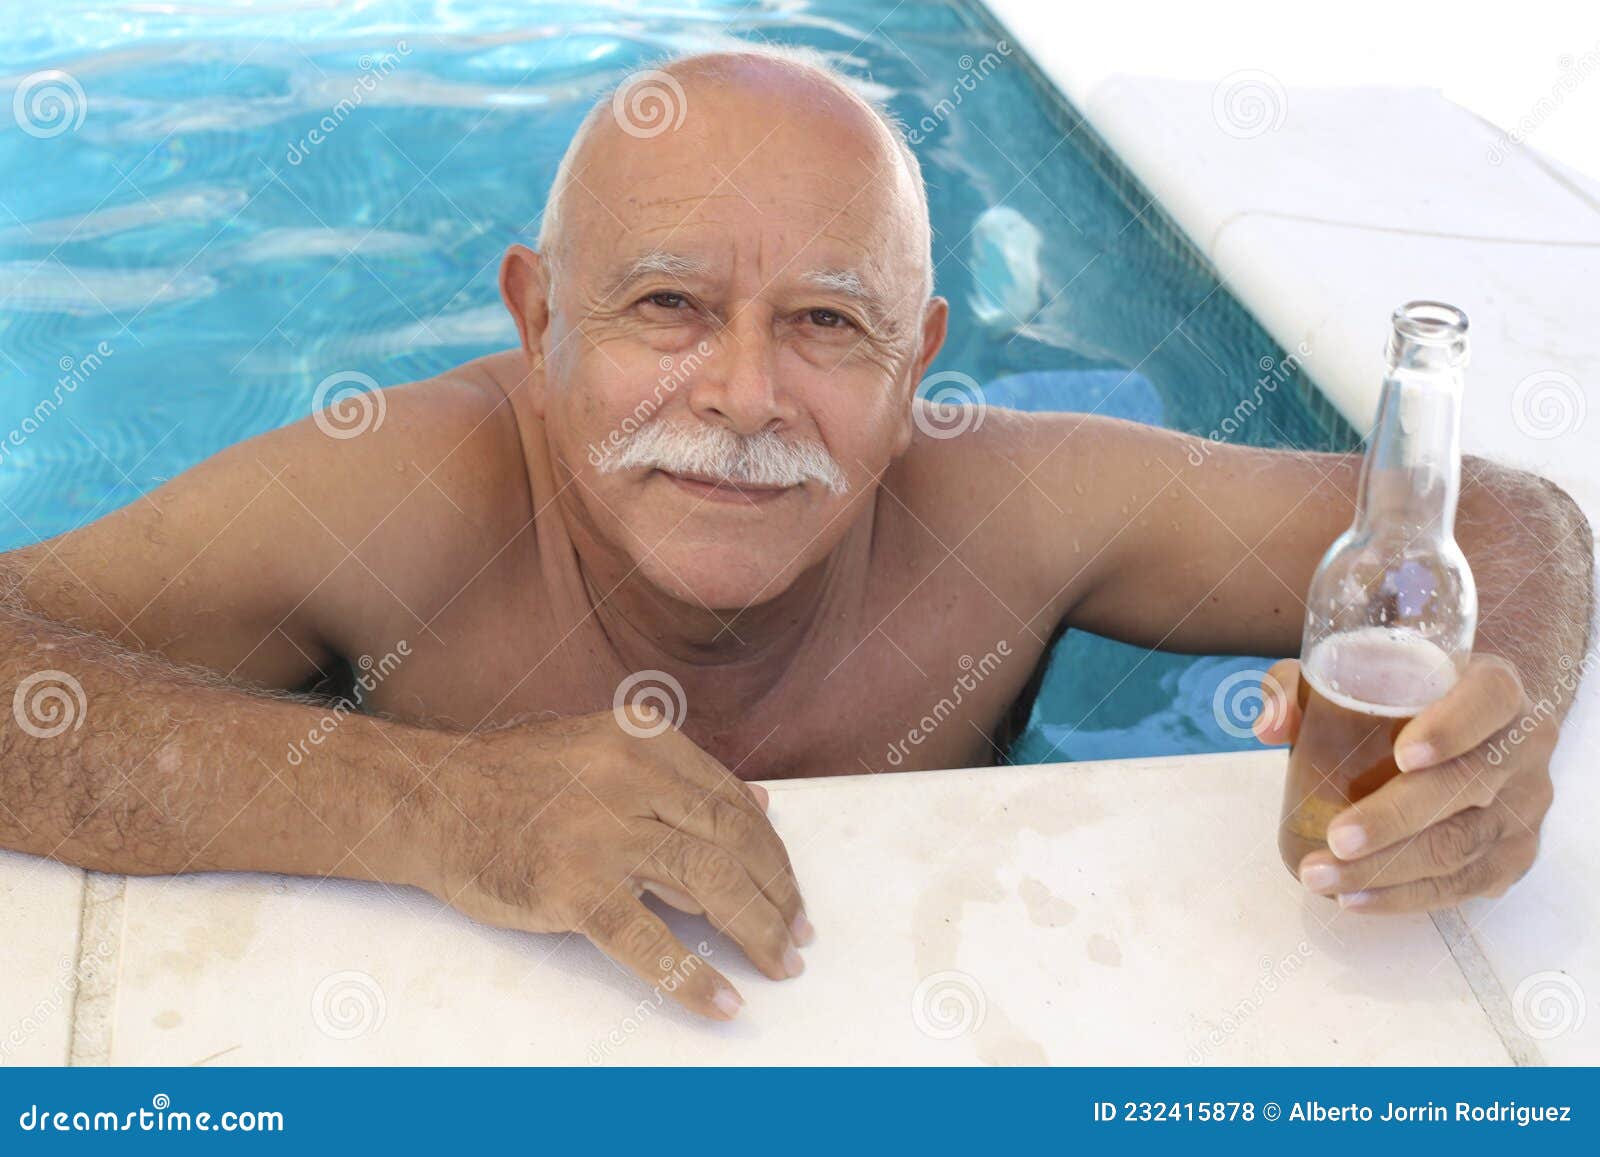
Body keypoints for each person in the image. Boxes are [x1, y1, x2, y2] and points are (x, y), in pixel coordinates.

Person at [0, 48, 1591, 1021]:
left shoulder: (1013, 509)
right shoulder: (399, 500)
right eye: (666, 304)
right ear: (538, 323)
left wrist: (1491, 732)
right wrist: (437, 805)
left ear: (918, 364)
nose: (746, 394)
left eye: (829, 322)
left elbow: (1512, 518)